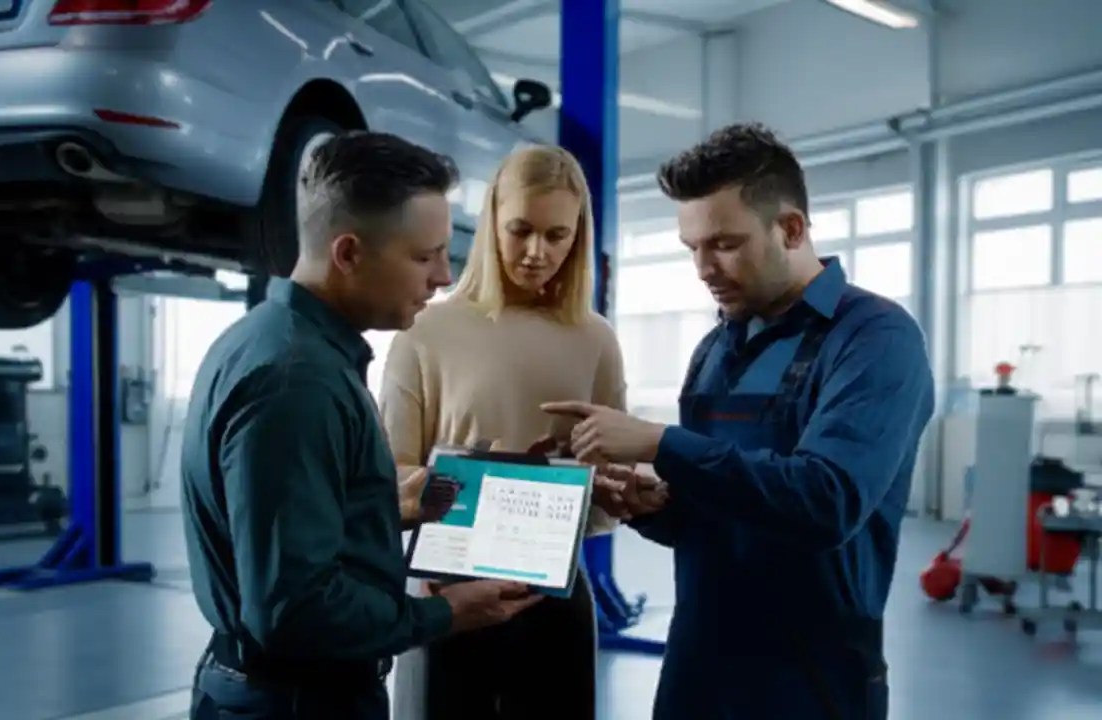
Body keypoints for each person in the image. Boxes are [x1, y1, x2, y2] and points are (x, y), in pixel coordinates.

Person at [542, 122, 936, 720]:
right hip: (699, 667)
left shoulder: (875, 339)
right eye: (692, 248)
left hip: (810, 678)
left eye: (724, 243)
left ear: (792, 228)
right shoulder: (717, 347)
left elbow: (826, 500)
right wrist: (658, 507)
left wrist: (659, 442)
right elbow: (720, 510)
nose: (703, 267)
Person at [179, 130, 544, 720]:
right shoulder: (298, 382)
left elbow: (281, 536)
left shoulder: (273, 340)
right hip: (299, 702)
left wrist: (380, 511)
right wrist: (447, 614)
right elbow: (293, 611)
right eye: (424, 257)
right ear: (348, 254)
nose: (442, 278)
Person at [379, 144, 627, 720]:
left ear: (578, 237)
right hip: (448, 596)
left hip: (553, 597)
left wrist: (595, 479)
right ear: (492, 218)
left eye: (557, 235)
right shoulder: (424, 331)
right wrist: (467, 482)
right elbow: (386, 478)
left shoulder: (595, 338)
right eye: (520, 230)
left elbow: (609, 492)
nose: (537, 253)